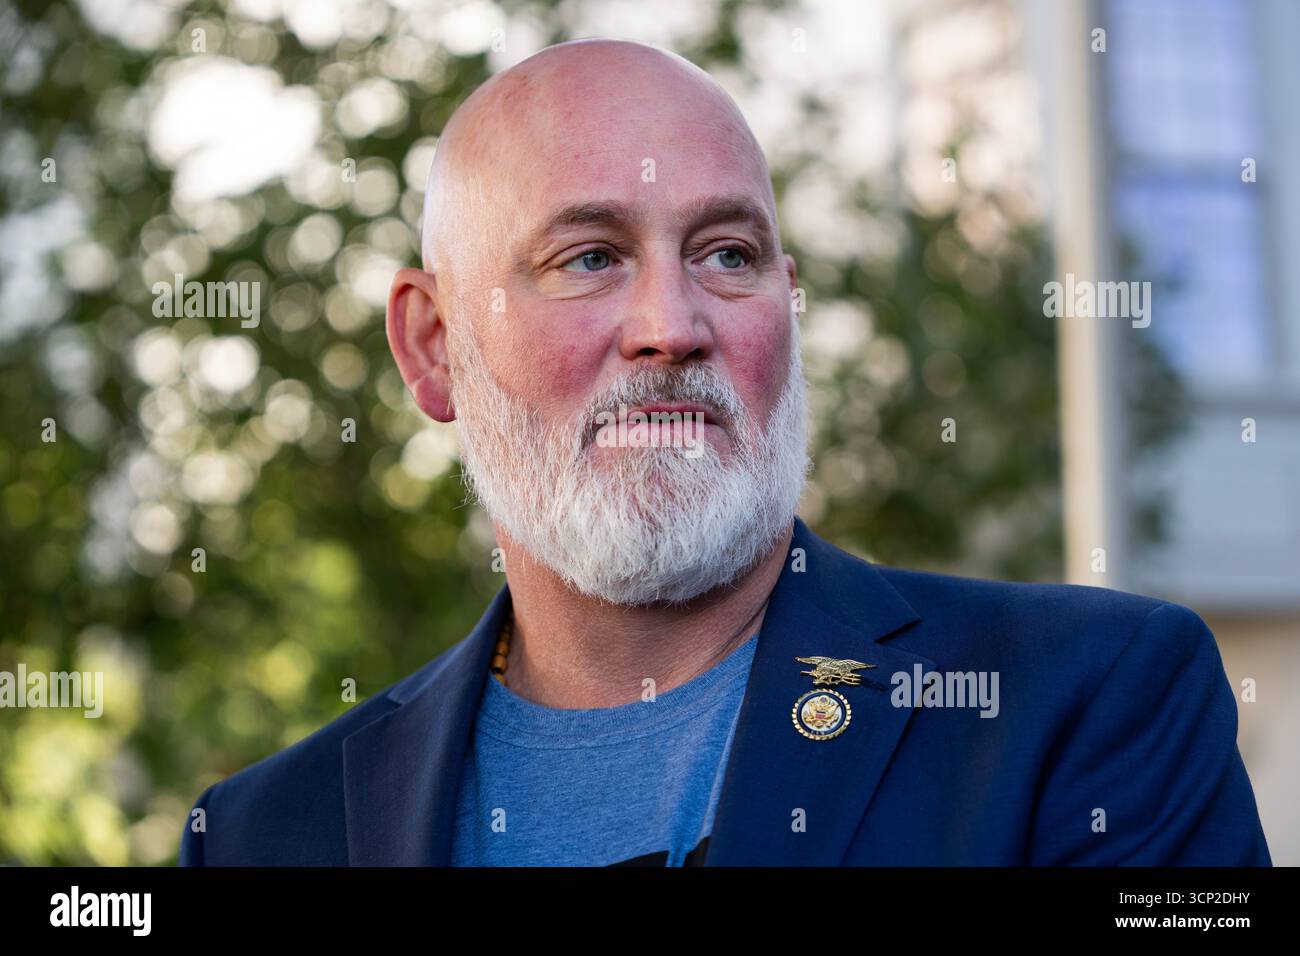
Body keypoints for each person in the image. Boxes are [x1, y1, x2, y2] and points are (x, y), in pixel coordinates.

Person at [179, 37, 1271, 866]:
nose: (672, 322)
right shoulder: (264, 834)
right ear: (433, 345)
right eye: (591, 255)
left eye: (726, 253)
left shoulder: (1088, 704)